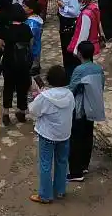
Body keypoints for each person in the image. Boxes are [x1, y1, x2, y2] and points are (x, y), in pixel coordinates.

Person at [28, 65, 75, 204]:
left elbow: (33, 111)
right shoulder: (69, 94)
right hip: (64, 134)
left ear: (49, 79)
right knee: (62, 162)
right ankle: (60, 191)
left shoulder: (45, 96)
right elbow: (71, 109)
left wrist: (36, 95)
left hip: (48, 135)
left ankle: (45, 195)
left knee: (45, 164)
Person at [67, 41, 105, 182]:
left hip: (80, 109)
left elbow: (72, 89)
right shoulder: (98, 69)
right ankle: (84, 165)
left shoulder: (79, 70)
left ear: (80, 54)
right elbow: (101, 86)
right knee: (88, 136)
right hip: (93, 107)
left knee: (76, 139)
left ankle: (76, 172)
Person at [0, 2, 34, 126]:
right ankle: (21, 111)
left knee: (8, 87)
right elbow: (31, 44)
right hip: (23, 63)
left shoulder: (6, 29)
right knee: (22, 87)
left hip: (9, 62)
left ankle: (6, 113)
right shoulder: (26, 28)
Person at [67, 0, 100, 77]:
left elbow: (83, 35)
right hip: (91, 45)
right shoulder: (93, 8)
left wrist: (76, 50)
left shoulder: (86, 14)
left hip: (84, 48)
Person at [56, 0, 82, 74]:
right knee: (64, 47)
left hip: (71, 22)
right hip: (63, 20)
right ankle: (67, 69)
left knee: (69, 48)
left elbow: (75, 12)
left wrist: (63, 7)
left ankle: (72, 71)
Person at [26, 0, 45, 86]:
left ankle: (40, 88)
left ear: (31, 10)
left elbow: (30, 41)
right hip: (36, 50)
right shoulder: (37, 19)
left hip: (32, 52)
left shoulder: (32, 24)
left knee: (33, 73)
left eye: (24, 6)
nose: (22, 8)